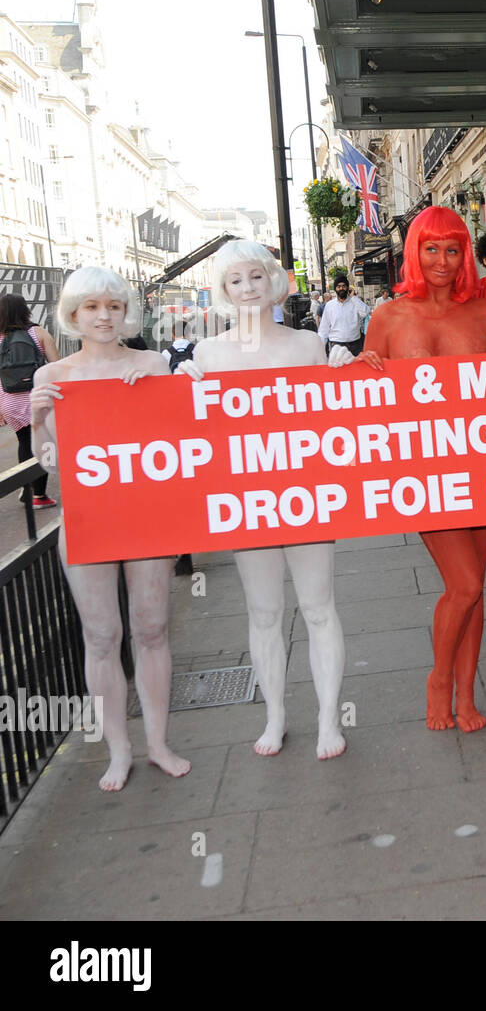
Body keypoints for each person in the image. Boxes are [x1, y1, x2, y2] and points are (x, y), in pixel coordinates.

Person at [359, 206, 486, 732]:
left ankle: (466, 694)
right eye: (431, 249)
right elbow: (364, 403)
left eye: (452, 249)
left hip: (484, 465)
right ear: (414, 252)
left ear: (465, 256)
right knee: (463, 585)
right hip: (425, 473)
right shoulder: (386, 316)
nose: (442, 260)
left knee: (475, 585)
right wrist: (358, 368)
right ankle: (439, 679)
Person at [180, 240, 354, 760]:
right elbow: (192, 434)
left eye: (256, 276)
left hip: (306, 493)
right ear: (224, 290)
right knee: (263, 611)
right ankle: (275, 715)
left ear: (272, 279)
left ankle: (329, 718)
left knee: (319, 607)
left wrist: (342, 366)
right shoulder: (207, 355)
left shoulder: (306, 345)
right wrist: (180, 388)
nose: (248, 288)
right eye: (236, 280)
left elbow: (335, 418)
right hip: (246, 499)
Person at [29, 266, 190, 790]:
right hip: (86, 519)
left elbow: (181, 440)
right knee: (101, 636)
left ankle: (158, 744)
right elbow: (48, 463)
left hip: (147, 516)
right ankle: (118, 750)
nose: (103, 316)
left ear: (126, 313)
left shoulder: (153, 363)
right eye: (92, 308)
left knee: (151, 629)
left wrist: (164, 392)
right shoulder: (52, 378)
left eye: (113, 307)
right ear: (73, 315)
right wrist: (36, 420)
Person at [0, 293, 60, 508]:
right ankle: (39, 495)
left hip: (9, 399)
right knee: (45, 443)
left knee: (24, 442)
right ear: (25, 310)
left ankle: (27, 489)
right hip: (38, 397)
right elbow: (56, 366)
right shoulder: (38, 333)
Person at [318, 275, 369, 356]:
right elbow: (324, 329)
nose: (341, 288)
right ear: (335, 289)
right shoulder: (329, 305)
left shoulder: (355, 302)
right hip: (336, 346)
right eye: (338, 286)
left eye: (344, 286)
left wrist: (353, 297)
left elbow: (365, 312)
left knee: (357, 368)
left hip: (355, 345)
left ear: (348, 288)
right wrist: (320, 350)